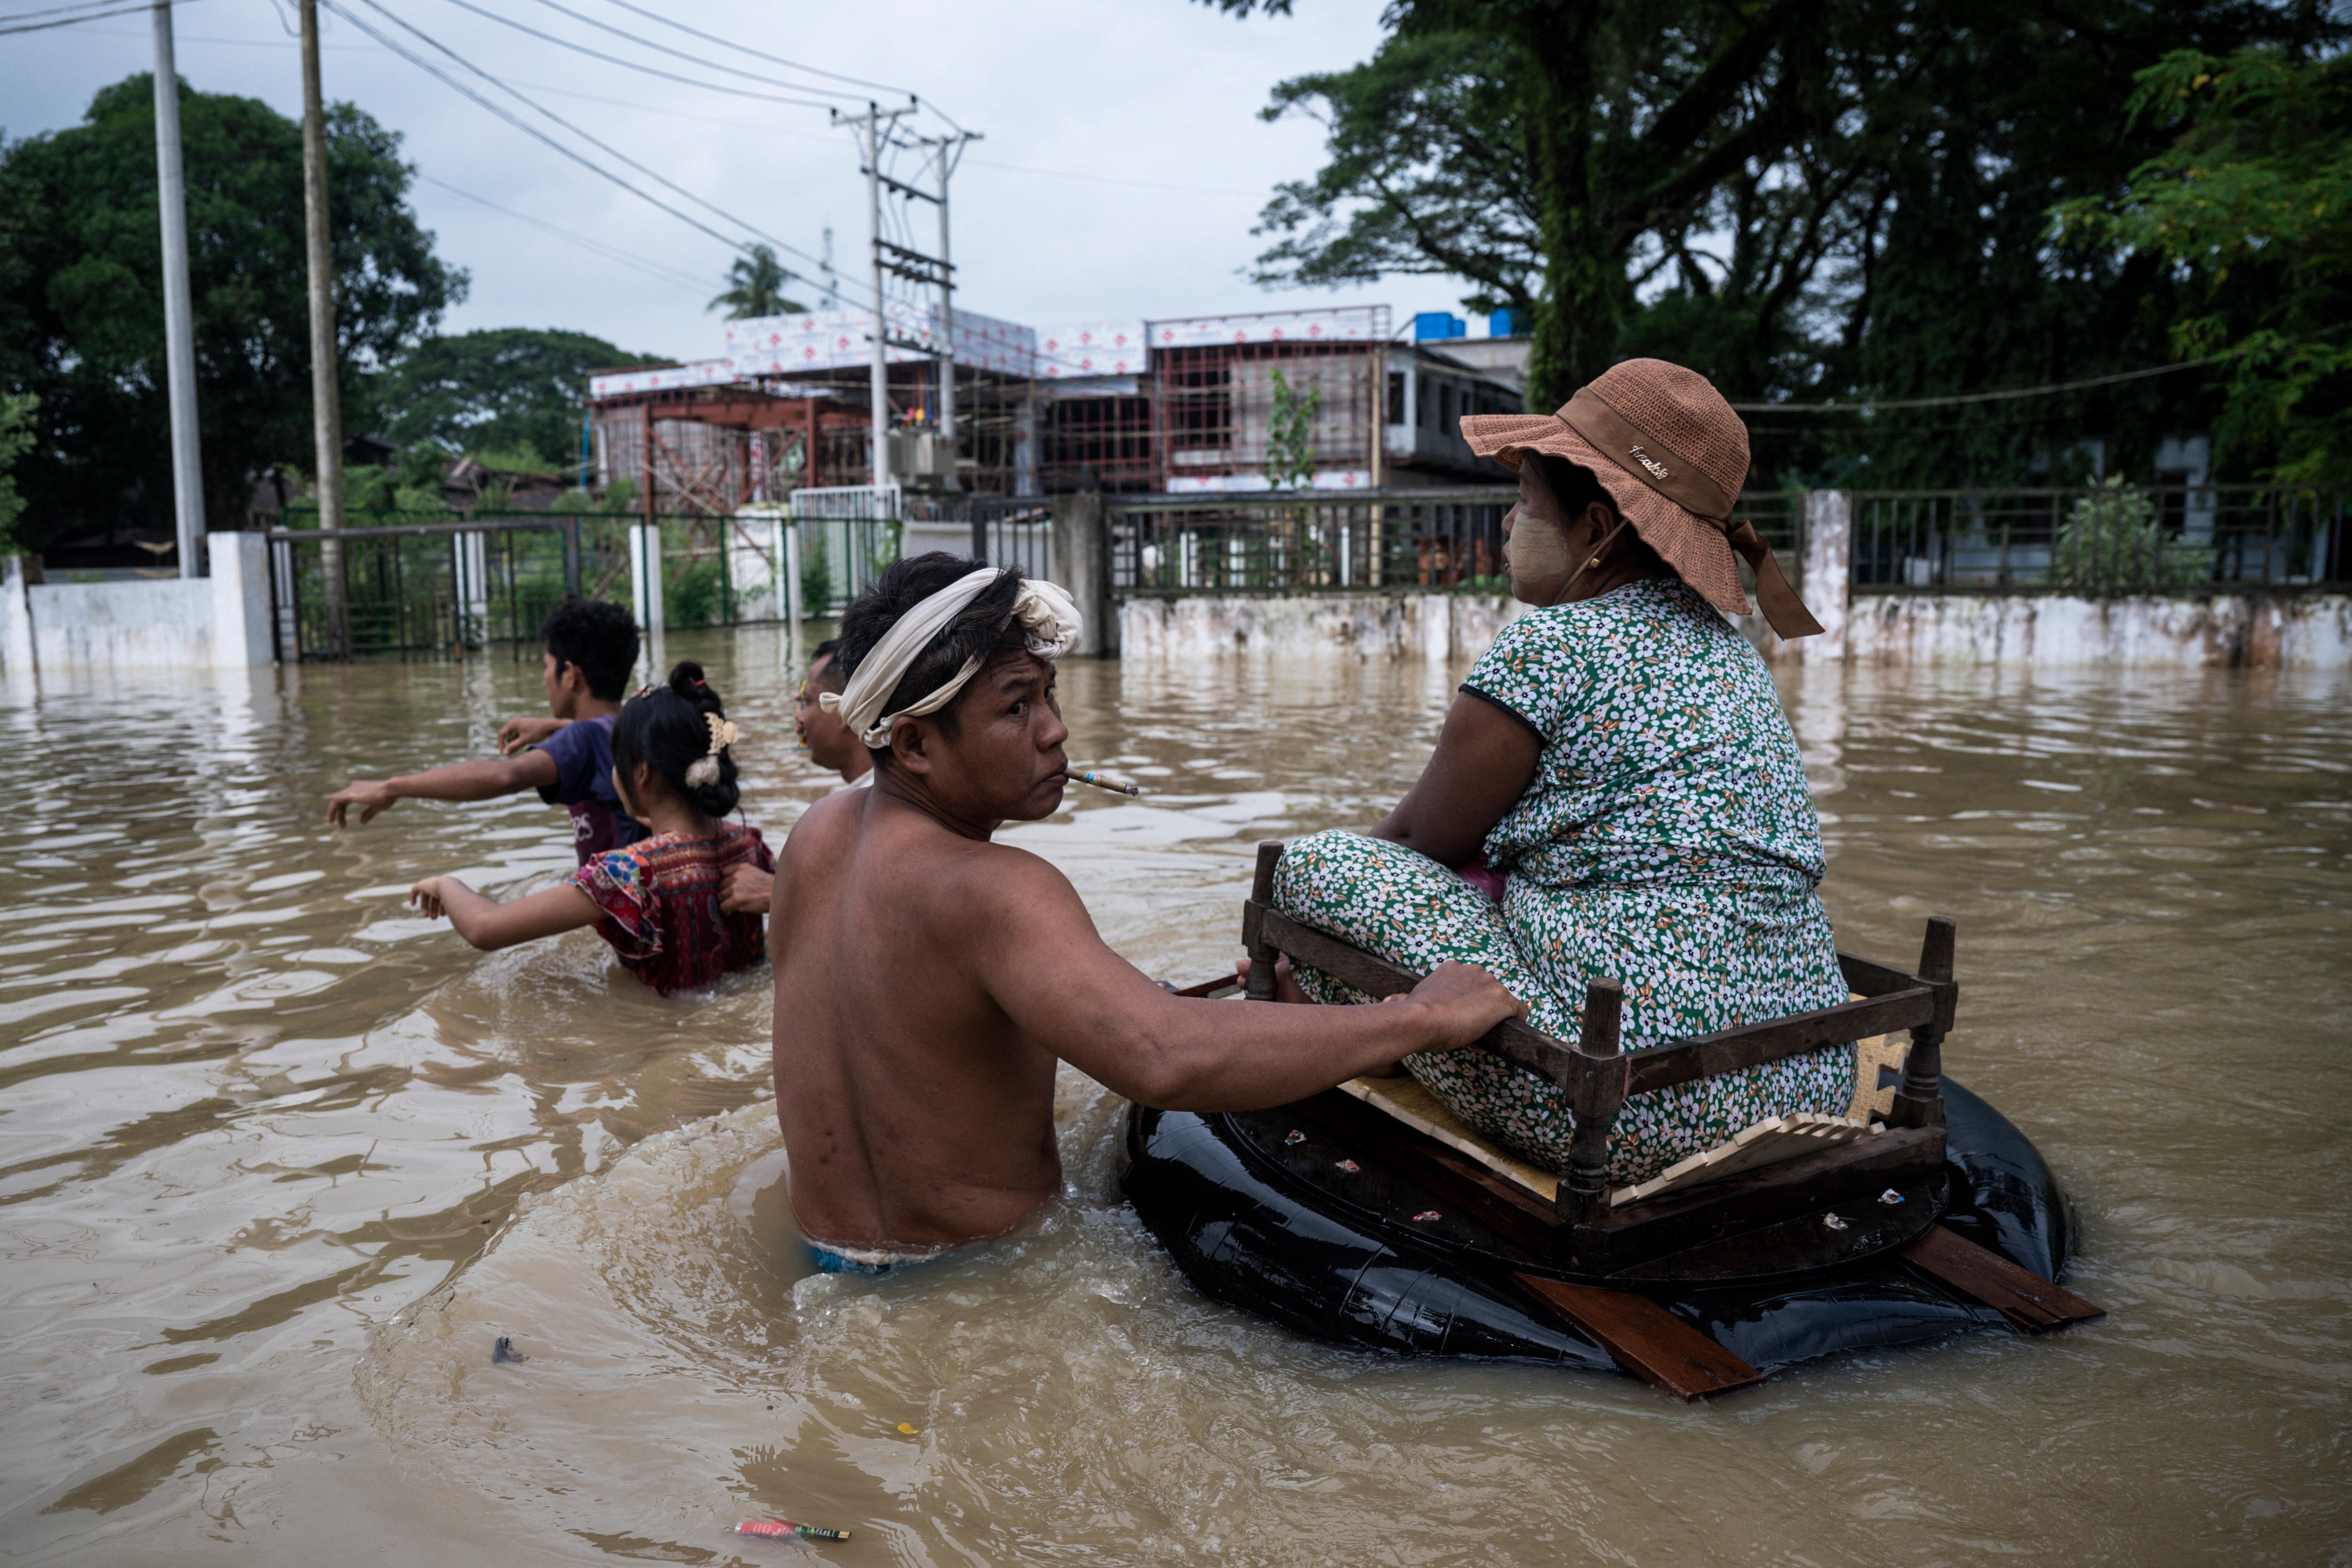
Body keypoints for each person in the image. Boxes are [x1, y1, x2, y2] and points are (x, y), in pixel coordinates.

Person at [763, 552, 1525, 1270]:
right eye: (1016, 705)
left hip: (823, 1262)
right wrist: (1421, 1016)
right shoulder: (997, 889)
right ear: (914, 743)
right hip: (990, 1287)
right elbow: (1164, 1056)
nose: (1055, 727)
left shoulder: (810, 839)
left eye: (1049, 692)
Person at [1268, 356, 1849, 1186]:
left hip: (1627, 1108)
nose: (1508, 525)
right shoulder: (1735, 650)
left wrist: (1310, 936)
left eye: (1525, 503)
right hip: (1805, 1077)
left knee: (1320, 868)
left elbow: (1412, 842)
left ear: (1597, 530)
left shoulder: (1552, 645)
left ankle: (1365, 1030)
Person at [407, 661, 774, 996]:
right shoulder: (749, 846)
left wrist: (447, 885)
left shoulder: (628, 873)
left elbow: (485, 928)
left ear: (643, 773)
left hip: (659, 1037)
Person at [327, 597, 647, 864]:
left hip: (623, 916)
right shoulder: (633, 724)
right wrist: (555, 727)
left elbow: (504, 777)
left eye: (546, 667)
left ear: (570, 675)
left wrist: (392, 787)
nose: (543, 679)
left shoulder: (581, 740)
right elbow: (596, 740)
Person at [717, 639, 869, 917]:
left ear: (847, 709)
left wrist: (779, 894)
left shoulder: (876, 809)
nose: (799, 719)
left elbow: (886, 913)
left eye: (808, 701)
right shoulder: (868, 800)